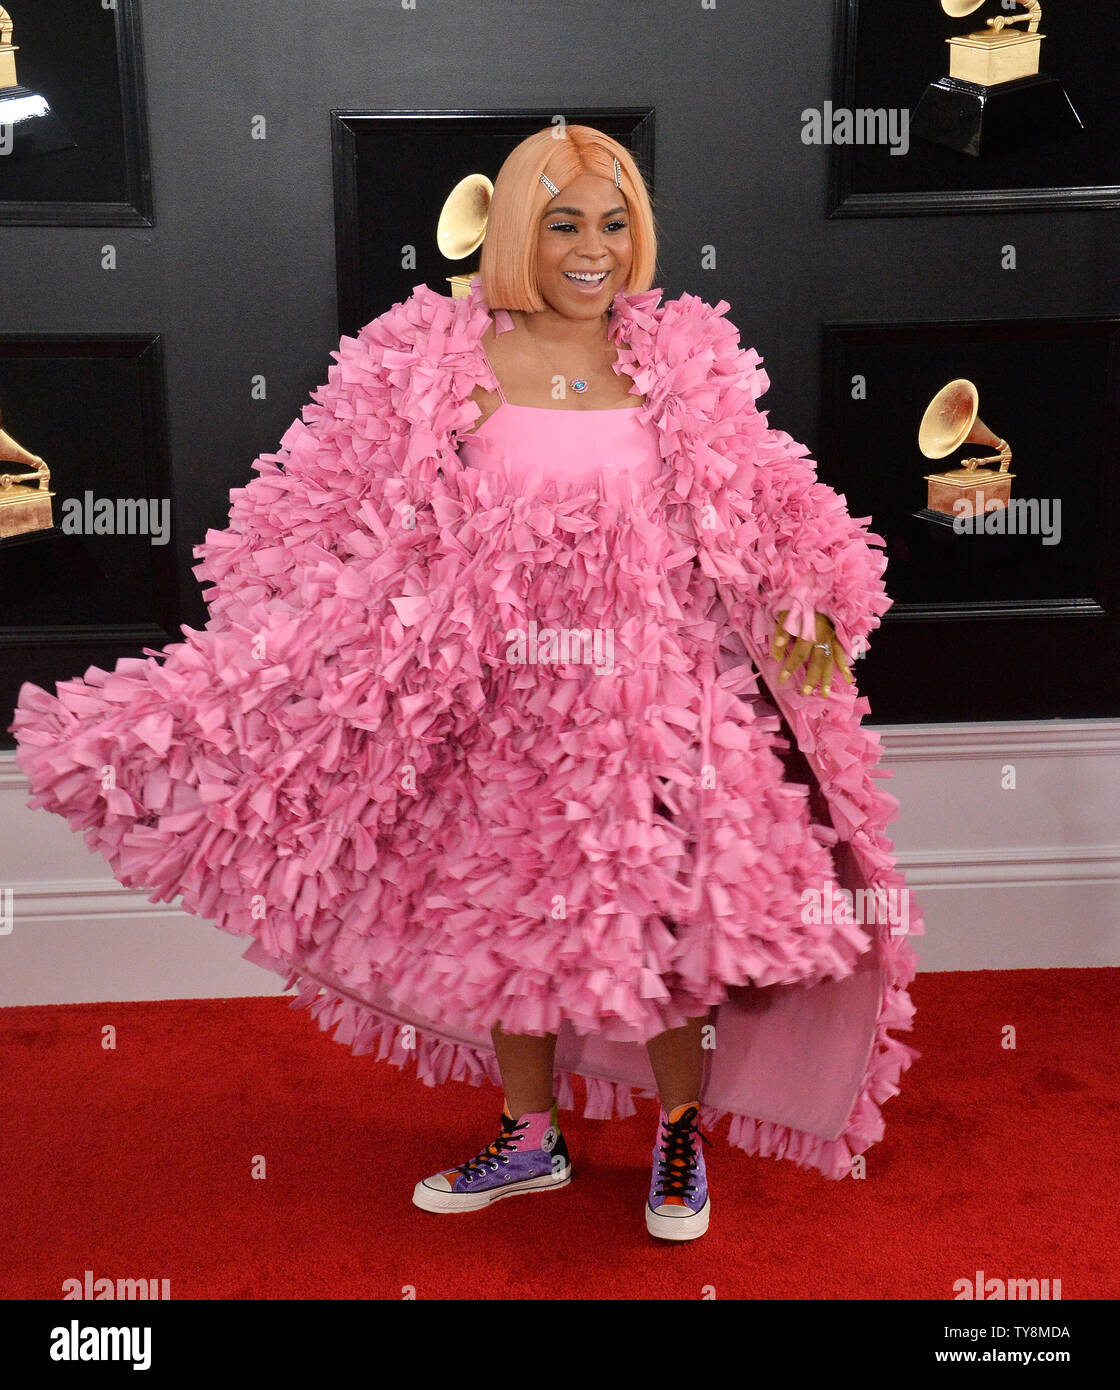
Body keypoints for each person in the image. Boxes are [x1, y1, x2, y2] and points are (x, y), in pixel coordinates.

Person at [10, 126, 921, 1245]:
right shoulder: (434, 358)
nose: (592, 248)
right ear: (512, 235)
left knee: (668, 927)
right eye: (563, 222)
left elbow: (766, 490)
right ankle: (529, 1135)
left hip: (662, 704)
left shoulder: (679, 357)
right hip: (500, 708)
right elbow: (321, 499)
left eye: (613, 221)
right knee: (513, 919)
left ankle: (678, 1134)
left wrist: (815, 594)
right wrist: (280, 636)